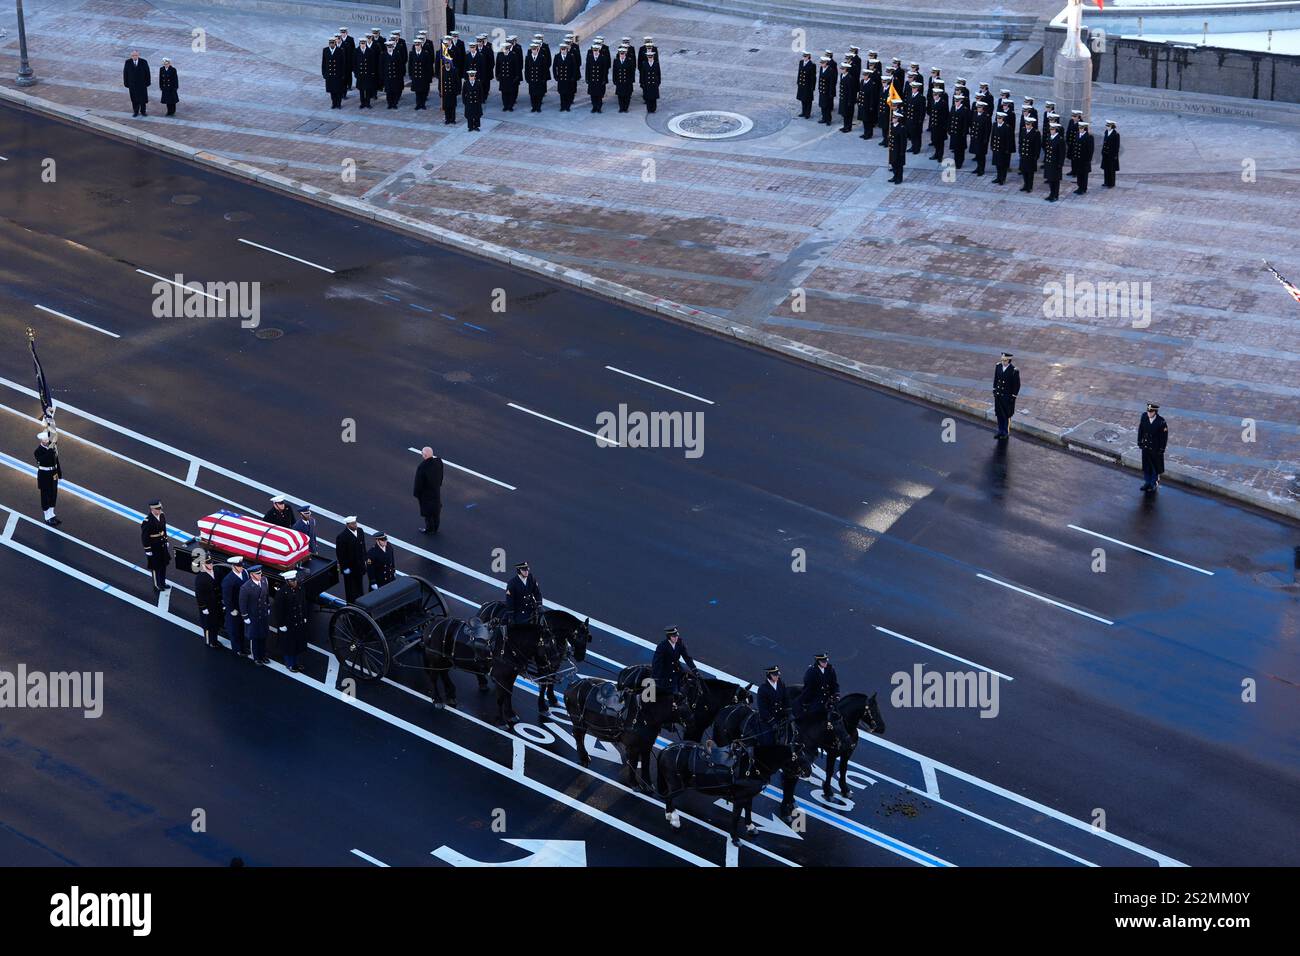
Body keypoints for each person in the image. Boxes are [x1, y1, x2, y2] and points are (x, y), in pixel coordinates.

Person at [274, 570, 309, 672]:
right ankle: (289, 664)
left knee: (297, 644)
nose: (294, 582)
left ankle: (296, 663)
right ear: (287, 581)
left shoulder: (300, 587)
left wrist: (305, 616)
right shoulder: (282, 593)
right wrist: (281, 624)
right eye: (292, 581)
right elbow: (279, 610)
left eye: (295, 580)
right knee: (289, 645)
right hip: (288, 623)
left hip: (298, 621)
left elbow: (303, 602)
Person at [650, 626, 697, 702]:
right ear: (669, 637)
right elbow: (656, 663)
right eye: (674, 636)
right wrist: (656, 677)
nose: (676, 638)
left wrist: (694, 670)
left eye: (677, 635)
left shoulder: (679, 642)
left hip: (677, 669)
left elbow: (687, 657)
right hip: (665, 672)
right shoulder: (662, 646)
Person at [239, 564, 272, 664]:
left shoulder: (264, 581)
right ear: (252, 575)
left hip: (263, 615)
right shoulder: (246, 588)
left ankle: (263, 655)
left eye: (260, 573)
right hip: (253, 616)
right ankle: (257, 657)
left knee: (263, 636)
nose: (260, 575)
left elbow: (266, 596)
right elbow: (242, 603)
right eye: (258, 574)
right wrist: (245, 616)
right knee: (255, 638)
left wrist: (268, 607)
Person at [797, 653, 839, 725]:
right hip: (816, 698)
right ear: (818, 661)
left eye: (826, 661)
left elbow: (834, 684)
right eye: (823, 661)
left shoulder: (830, 669)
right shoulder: (811, 671)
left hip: (829, 698)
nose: (825, 663)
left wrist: (836, 694)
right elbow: (809, 688)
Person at [756, 665, 791, 746]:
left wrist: (789, 712)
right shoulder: (763, 689)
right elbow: (762, 709)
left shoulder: (781, 683)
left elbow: (786, 699)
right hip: (768, 719)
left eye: (777, 674)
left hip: (781, 716)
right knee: (769, 741)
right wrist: (772, 722)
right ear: (769, 675)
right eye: (775, 675)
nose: (777, 676)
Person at [140, 499, 170, 592]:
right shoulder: (147, 521)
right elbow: (145, 537)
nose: (159, 510)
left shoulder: (162, 515)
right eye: (157, 509)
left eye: (160, 508)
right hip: (154, 546)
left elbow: (164, 529)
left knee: (163, 564)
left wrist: (166, 539)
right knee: (155, 566)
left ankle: (163, 582)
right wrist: (148, 550)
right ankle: (157, 585)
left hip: (162, 544)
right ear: (152, 509)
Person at [412, 447, 444, 534]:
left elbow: (418, 483)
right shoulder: (438, 462)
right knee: (436, 510)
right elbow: (441, 475)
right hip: (436, 491)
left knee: (428, 512)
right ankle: (436, 528)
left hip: (426, 494)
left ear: (425, 455)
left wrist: (417, 494)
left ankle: (430, 529)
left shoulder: (422, 467)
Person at [335, 516, 367, 602]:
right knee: (350, 589)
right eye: (353, 524)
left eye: (355, 523)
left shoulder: (360, 531)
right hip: (350, 568)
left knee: (360, 586)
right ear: (348, 525)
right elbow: (340, 554)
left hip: (359, 566)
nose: (355, 525)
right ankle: (351, 605)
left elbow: (363, 547)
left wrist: (365, 559)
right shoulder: (342, 537)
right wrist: (344, 567)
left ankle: (361, 602)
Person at [222, 556, 249, 656]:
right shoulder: (228, 580)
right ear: (233, 566)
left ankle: (242, 647)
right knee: (234, 629)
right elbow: (227, 597)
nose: (241, 568)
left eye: (242, 566)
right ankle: (237, 649)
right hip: (235, 609)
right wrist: (231, 609)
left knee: (242, 628)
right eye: (239, 566)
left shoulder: (245, 573)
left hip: (243, 607)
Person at [1138, 403, 1168, 492]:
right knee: (1146, 466)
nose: (1149, 414)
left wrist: (1162, 448)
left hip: (1155, 448)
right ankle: (1147, 482)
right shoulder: (1144, 416)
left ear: (1155, 412)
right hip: (1146, 447)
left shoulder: (1161, 421)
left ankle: (1152, 483)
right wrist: (1139, 441)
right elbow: (1141, 429)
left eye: (1151, 412)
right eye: (1148, 411)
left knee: (1154, 467)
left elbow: (1164, 437)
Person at [195, 554, 223, 649]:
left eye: (211, 562)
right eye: (208, 563)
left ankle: (214, 639)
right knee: (208, 624)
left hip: (216, 603)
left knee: (215, 623)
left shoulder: (216, 571)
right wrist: (203, 607)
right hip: (208, 605)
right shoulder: (201, 578)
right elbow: (199, 594)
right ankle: (209, 641)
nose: (211, 564)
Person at [34, 430, 61, 526]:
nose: (46, 441)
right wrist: (50, 450)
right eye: (44, 440)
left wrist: (59, 473)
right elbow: (42, 460)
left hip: (53, 473)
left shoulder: (52, 448)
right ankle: (47, 517)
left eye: (47, 439)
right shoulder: (38, 451)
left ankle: (52, 514)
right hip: (44, 475)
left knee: (53, 494)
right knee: (45, 495)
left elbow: (56, 461)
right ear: (41, 440)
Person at [992, 351, 1020, 440]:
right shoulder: (998, 366)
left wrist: (1013, 396)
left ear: (1009, 360)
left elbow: (1017, 385)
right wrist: (994, 389)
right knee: (999, 414)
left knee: (1006, 415)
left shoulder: (1014, 370)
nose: (1003, 362)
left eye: (1005, 360)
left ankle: (1005, 432)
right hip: (999, 395)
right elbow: (996, 378)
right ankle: (1000, 431)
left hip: (1007, 397)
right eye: (1002, 360)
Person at [552, 41, 579, 112]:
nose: (563, 51)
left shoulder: (571, 56)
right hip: (561, 79)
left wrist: (573, 77)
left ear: (567, 49)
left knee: (568, 93)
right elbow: (554, 67)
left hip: (568, 79)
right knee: (562, 93)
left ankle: (567, 106)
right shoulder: (557, 56)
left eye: (564, 49)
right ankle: (562, 106)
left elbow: (574, 67)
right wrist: (555, 76)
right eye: (562, 49)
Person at [123, 50, 151, 117]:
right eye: (133, 55)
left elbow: (147, 73)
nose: (134, 57)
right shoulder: (128, 62)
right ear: (131, 56)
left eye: (136, 55)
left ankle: (143, 111)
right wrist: (126, 83)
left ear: (138, 55)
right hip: (132, 85)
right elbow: (125, 73)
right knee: (134, 99)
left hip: (142, 84)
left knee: (143, 99)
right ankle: (136, 111)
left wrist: (148, 82)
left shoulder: (143, 62)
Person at [497, 36, 521, 111]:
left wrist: (516, 76)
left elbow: (516, 66)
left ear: (508, 48)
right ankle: (505, 105)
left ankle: (510, 106)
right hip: (503, 78)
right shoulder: (500, 55)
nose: (505, 50)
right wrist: (497, 75)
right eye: (504, 49)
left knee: (511, 92)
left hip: (510, 77)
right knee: (504, 93)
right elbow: (497, 66)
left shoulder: (513, 55)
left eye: (506, 49)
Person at [1042, 121, 1065, 201]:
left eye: (1052, 129)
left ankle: (1055, 195)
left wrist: (1060, 164)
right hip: (1049, 162)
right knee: (1050, 180)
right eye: (1050, 129)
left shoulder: (1060, 139)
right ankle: (1051, 194)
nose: (1051, 131)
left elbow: (1062, 153)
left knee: (1055, 181)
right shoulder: (1049, 137)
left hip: (1055, 164)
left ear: (1056, 130)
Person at [409, 37, 433, 110]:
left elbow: (429, 66)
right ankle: (418, 104)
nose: (417, 46)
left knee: (423, 91)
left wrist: (429, 77)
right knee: (417, 92)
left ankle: (423, 104)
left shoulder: (425, 53)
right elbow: (410, 65)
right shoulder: (412, 53)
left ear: (421, 45)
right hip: (416, 76)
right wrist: (411, 75)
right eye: (416, 45)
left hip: (423, 76)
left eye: (418, 45)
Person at [323, 36, 347, 108]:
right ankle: (334, 103)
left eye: (333, 43)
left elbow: (343, 63)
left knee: (338, 90)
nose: (331, 44)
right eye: (330, 43)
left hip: (338, 75)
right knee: (332, 90)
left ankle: (339, 104)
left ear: (335, 43)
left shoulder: (340, 50)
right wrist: (324, 73)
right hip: (330, 75)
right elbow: (324, 63)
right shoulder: (325, 50)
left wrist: (343, 74)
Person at [1018, 114, 1040, 192]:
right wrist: (1020, 152)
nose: (1027, 126)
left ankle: (1029, 186)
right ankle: (1025, 185)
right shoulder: (1023, 130)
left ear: (1031, 124)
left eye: (1028, 124)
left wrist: (1036, 156)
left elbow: (1037, 146)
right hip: (1024, 155)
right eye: (1026, 124)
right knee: (1024, 171)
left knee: (1030, 173)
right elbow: (1020, 142)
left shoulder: (1036, 132)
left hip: (1031, 156)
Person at [991, 108, 1013, 184]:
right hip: (996, 148)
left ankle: (1002, 179)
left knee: (1003, 165)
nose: (998, 119)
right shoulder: (994, 125)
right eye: (997, 118)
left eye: (1000, 118)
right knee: (997, 164)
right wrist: (992, 145)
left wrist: (1007, 149)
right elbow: (993, 136)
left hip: (1003, 150)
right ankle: (998, 177)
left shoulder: (1007, 127)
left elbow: (1008, 140)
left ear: (1003, 119)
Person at [525, 39, 548, 112]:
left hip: (539, 80)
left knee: (539, 95)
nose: (533, 51)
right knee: (532, 95)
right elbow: (526, 69)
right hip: (531, 80)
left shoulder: (542, 57)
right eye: (532, 49)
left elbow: (545, 69)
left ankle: (538, 107)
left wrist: (543, 79)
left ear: (537, 49)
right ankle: (533, 107)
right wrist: (527, 79)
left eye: (535, 49)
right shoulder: (528, 57)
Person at [586, 39, 609, 113]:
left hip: (599, 80)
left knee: (599, 95)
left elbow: (605, 70)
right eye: (594, 50)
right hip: (592, 80)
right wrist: (587, 78)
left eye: (596, 50)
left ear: (599, 50)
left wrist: (604, 79)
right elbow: (587, 69)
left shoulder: (603, 57)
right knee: (593, 95)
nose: (595, 52)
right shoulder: (590, 57)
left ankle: (599, 108)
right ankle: (594, 107)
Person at [949, 91, 969, 169]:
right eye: (955, 100)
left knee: (960, 149)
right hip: (954, 132)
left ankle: (960, 162)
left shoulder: (964, 110)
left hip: (960, 133)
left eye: (957, 101)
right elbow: (950, 119)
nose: (956, 102)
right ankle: (956, 161)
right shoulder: (953, 107)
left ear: (961, 101)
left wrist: (964, 132)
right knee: (955, 148)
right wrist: (949, 129)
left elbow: (965, 123)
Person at [970, 99, 991, 176]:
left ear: (983, 108)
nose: (978, 108)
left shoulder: (986, 117)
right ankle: (978, 168)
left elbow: (987, 130)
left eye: (980, 107)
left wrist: (985, 140)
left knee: (981, 155)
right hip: (975, 138)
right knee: (977, 155)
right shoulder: (975, 113)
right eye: (977, 107)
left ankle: (981, 170)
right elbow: (973, 125)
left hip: (981, 140)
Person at [354, 37, 376, 108]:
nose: (362, 45)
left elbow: (373, 62)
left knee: (368, 89)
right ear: (359, 44)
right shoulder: (356, 51)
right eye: (361, 43)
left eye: (364, 43)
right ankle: (362, 103)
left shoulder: (370, 51)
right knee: (361, 90)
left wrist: (372, 72)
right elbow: (354, 63)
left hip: (368, 74)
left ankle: (368, 103)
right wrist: (356, 73)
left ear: (366, 43)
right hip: (360, 74)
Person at [613, 44, 636, 112]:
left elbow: (632, 71)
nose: (622, 55)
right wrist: (614, 80)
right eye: (621, 53)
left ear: (625, 53)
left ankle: (625, 108)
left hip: (627, 82)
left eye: (623, 54)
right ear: (619, 53)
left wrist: (632, 80)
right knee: (620, 96)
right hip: (619, 82)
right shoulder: (616, 61)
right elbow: (614, 72)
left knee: (627, 96)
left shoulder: (630, 60)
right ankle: (621, 108)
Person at [383, 40, 405, 109]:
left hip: (395, 77)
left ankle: (395, 103)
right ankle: (389, 104)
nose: (389, 48)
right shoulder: (383, 54)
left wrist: (400, 76)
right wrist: (382, 77)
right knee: (388, 92)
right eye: (388, 47)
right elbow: (381, 66)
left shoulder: (397, 54)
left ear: (393, 47)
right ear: (386, 47)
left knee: (395, 91)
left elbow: (400, 66)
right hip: (387, 77)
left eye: (391, 47)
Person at [928, 87, 949, 161]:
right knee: (935, 141)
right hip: (934, 126)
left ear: (939, 95)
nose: (934, 96)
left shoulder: (943, 103)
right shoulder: (933, 101)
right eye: (933, 94)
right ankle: (936, 153)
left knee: (940, 142)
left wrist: (945, 127)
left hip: (940, 127)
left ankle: (940, 156)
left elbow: (945, 116)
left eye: (935, 95)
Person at [1074, 121, 1094, 194]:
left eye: (1081, 128)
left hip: (1084, 160)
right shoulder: (1077, 134)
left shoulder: (1089, 137)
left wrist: (1088, 160)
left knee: (1084, 175)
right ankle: (1079, 187)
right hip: (1078, 159)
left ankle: (1083, 188)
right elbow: (1075, 147)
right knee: (1079, 175)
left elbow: (1090, 150)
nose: (1080, 129)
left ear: (1085, 128)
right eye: (1079, 127)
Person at [439, 50, 459, 124]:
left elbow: (457, 82)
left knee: (453, 106)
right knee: (446, 106)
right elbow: (440, 82)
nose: (447, 64)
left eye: (448, 63)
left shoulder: (454, 70)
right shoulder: (442, 70)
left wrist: (457, 91)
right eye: (446, 63)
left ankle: (453, 119)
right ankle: (447, 119)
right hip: (445, 92)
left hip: (452, 92)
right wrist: (440, 91)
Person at [638, 47, 660, 114]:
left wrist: (658, 82)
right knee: (648, 97)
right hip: (647, 83)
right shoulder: (644, 64)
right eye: (649, 57)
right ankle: (649, 109)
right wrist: (642, 83)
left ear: (653, 57)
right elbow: (642, 74)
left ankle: (653, 109)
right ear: (647, 57)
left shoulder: (656, 63)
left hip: (654, 84)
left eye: (651, 57)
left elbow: (658, 74)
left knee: (653, 97)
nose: (650, 58)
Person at [837, 60, 857, 133]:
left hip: (848, 99)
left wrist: (850, 101)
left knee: (849, 114)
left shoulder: (850, 78)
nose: (841, 70)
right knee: (844, 114)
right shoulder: (842, 75)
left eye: (842, 68)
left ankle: (848, 127)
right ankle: (845, 126)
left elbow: (851, 91)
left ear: (846, 69)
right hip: (843, 98)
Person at [888, 109, 907, 184]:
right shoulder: (892, 126)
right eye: (892, 117)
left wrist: (902, 151)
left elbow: (903, 141)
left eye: (894, 118)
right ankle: (895, 176)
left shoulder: (901, 128)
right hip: (892, 149)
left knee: (899, 165)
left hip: (898, 150)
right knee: (893, 163)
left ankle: (899, 178)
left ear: (898, 119)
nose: (892, 119)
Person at [815, 54, 835, 125]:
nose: (821, 64)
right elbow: (820, 79)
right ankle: (824, 118)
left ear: (826, 63)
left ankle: (828, 120)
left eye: (822, 63)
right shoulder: (821, 69)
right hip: (822, 90)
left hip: (827, 91)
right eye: (821, 63)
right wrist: (819, 88)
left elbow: (831, 83)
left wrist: (831, 93)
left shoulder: (830, 70)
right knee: (822, 105)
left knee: (827, 106)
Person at [795, 51, 815, 119]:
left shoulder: (812, 65)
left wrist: (813, 87)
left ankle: (807, 113)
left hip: (808, 85)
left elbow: (813, 77)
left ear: (809, 56)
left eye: (805, 56)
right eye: (803, 56)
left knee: (808, 100)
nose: (804, 58)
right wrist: (798, 82)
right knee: (802, 99)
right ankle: (803, 112)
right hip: (801, 84)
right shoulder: (801, 62)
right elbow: (799, 72)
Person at [1102, 120, 1121, 188]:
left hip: (1111, 155)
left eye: (1108, 126)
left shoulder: (1116, 134)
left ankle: (1111, 183)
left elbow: (1117, 146)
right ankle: (1106, 182)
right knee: (1106, 169)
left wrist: (1115, 155)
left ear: (1112, 126)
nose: (1107, 127)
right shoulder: (1106, 132)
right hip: (1106, 154)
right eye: (1106, 125)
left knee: (1111, 170)